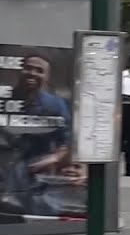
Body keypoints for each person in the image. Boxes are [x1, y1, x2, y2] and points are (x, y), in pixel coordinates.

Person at [1, 53, 76, 219]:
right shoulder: (3, 98)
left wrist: (55, 158)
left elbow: (69, 140)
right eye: (28, 68)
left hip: (35, 177)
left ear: (47, 77)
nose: (32, 73)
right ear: (19, 71)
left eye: (39, 70)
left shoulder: (55, 105)